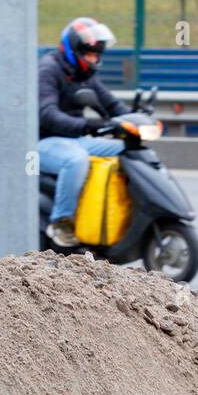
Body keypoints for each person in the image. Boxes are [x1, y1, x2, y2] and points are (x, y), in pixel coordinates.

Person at [37, 17, 128, 248]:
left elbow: (111, 103)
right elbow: (47, 114)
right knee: (75, 160)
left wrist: (134, 119)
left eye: (97, 55)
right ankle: (61, 222)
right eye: (90, 54)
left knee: (126, 149)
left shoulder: (82, 73)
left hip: (73, 138)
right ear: (73, 50)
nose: (94, 59)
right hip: (42, 142)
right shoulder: (49, 69)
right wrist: (87, 126)